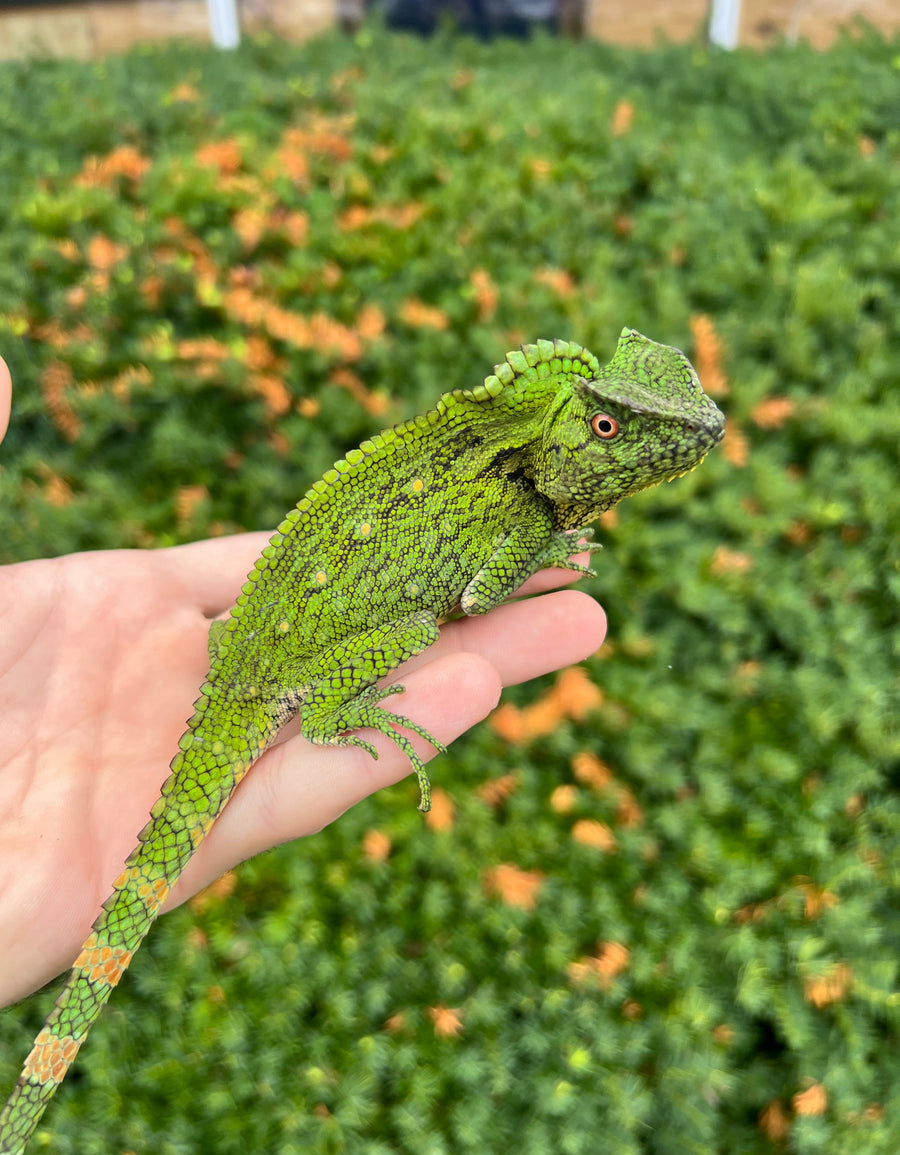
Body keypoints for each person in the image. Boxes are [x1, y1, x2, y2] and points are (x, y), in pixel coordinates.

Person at [0, 354, 606, 1007]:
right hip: (277, 672)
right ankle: (326, 711)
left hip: (246, 649)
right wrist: (541, 548)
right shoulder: (513, 498)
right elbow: (482, 596)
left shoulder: (495, 476)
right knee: (417, 632)